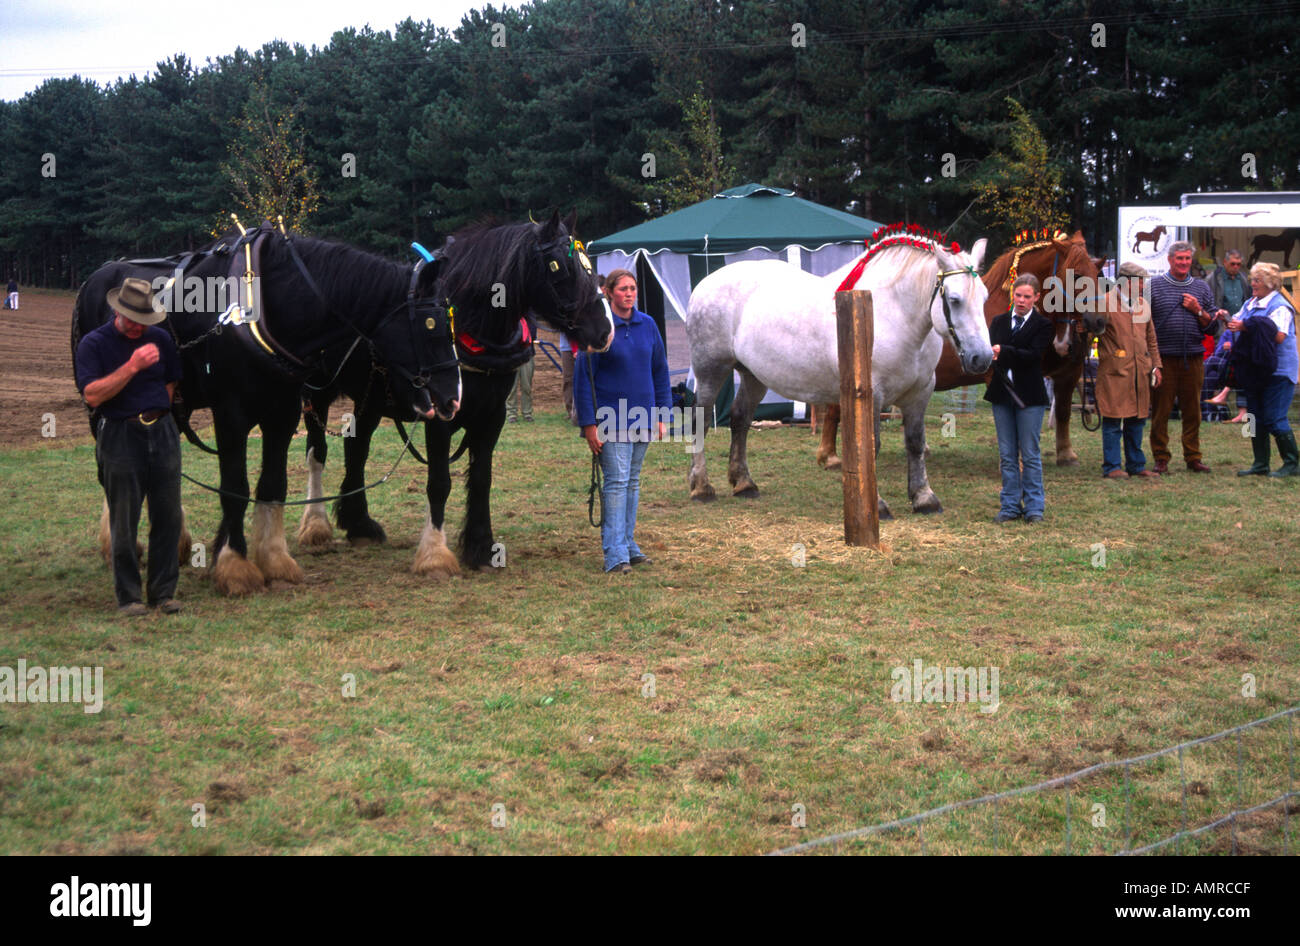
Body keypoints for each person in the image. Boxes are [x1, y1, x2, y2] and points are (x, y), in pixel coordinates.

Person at [75, 277, 184, 615]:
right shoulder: (94, 344)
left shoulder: (161, 338)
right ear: (118, 312)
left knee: (168, 517)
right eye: (134, 320)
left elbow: (171, 378)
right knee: (124, 520)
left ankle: (163, 593)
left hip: (162, 432)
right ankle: (130, 597)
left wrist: (157, 412)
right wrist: (133, 366)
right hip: (120, 435)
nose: (140, 327)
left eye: (145, 320)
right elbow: (92, 394)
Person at [574, 269, 670, 572]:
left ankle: (628, 544)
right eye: (623, 289)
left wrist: (662, 413)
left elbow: (660, 371)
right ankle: (615, 554)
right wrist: (589, 424)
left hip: (643, 415)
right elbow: (583, 378)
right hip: (610, 417)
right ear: (609, 293)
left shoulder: (649, 325)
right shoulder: (600, 328)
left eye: (633, 289)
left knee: (632, 482)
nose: (629, 294)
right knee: (616, 482)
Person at [1148, 241, 1224, 474]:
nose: (1183, 263)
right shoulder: (1154, 286)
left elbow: (1211, 328)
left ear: (1191, 260)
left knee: (1193, 411)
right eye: (1179, 258)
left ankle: (1193, 457)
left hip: (1193, 358)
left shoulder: (1201, 288)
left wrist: (1197, 310)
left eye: (1187, 259)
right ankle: (1161, 457)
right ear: (1170, 260)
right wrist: (1152, 362)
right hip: (1163, 359)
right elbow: (1144, 324)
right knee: (1161, 411)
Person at [985, 273, 1055, 522]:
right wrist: (998, 354)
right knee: (1007, 454)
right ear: (1012, 295)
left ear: (1037, 297)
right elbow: (990, 353)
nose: (1022, 300)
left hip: (1030, 397)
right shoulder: (999, 322)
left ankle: (1035, 507)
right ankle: (1010, 505)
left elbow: (1033, 356)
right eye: (1018, 295)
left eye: (1027, 296)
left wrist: (1004, 352)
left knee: (1030, 453)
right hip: (1002, 395)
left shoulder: (1043, 325)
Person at [1228, 262, 1298, 477]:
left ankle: (1293, 463)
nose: (1253, 284)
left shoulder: (1280, 306)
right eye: (1253, 280)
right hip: (1256, 369)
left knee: (1274, 418)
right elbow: (1237, 320)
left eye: (1257, 280)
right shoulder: (1251, 303)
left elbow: (1278, 336)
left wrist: (1247, 326)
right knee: (1254, 417)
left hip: (1279, 370)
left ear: (1269, 283)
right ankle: (1260, 464)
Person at [1096, 262, 1163, 478]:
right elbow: (1089, 333)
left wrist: (1157, 365)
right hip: (1115, 372)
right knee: (1113, 420)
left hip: (1140, 372)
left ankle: (1136, 465)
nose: (1143, 286)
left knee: (1137, 419)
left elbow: (1151, 338)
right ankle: (1112, 467)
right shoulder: (1104, 303)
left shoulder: (1143, 304)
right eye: (1140, 281)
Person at [505, 339, 534, 422]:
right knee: (511, 387)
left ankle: (527, 413)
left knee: (527, 387)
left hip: (527, 355)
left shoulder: (530, 325)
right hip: (511, 356)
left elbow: (532, 335)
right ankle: (511, 414)